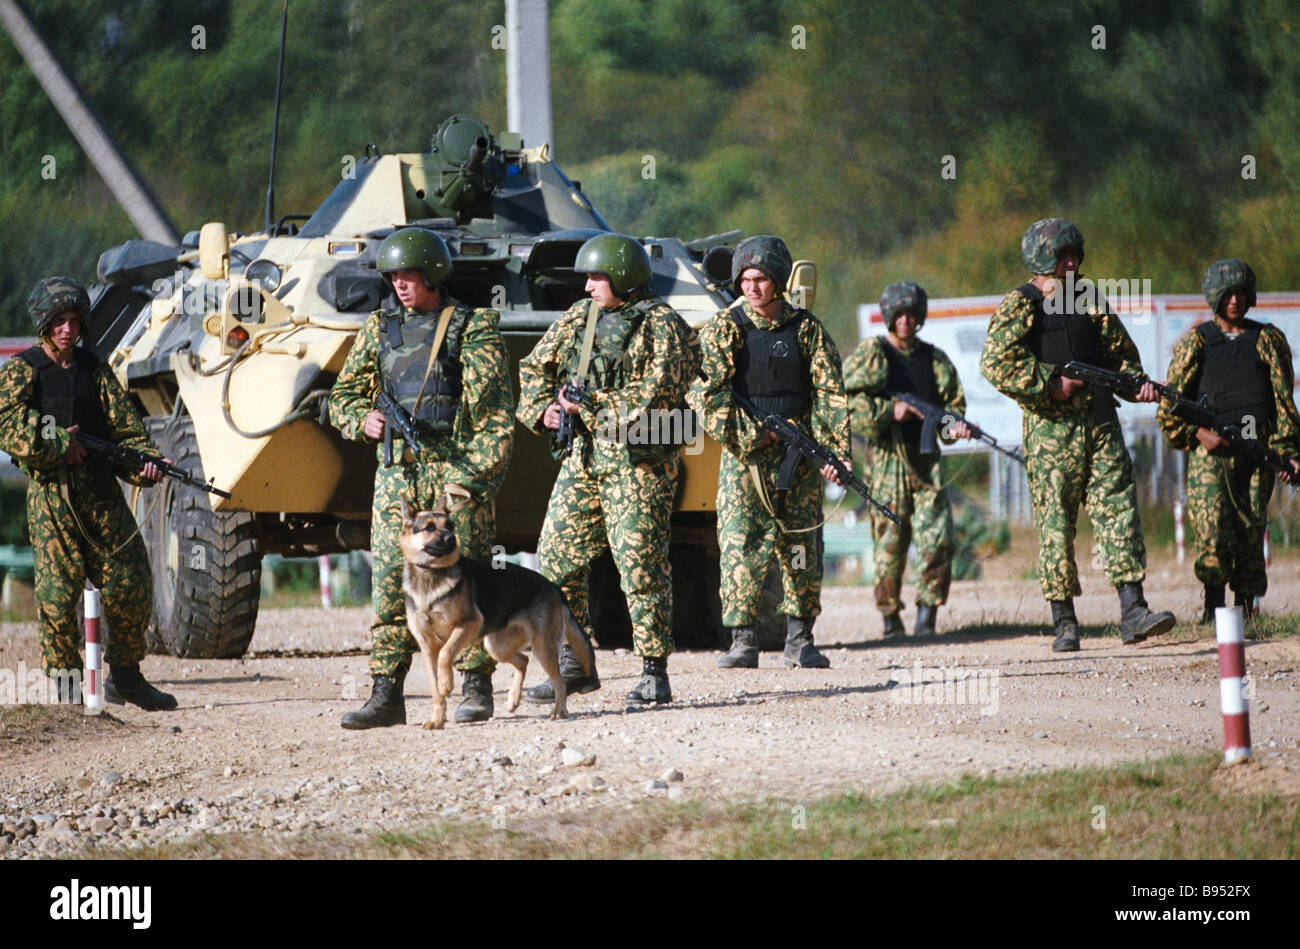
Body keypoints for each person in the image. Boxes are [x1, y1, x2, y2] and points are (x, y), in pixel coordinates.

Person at [329, 227, 513, 728]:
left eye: (409, 274)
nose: (400, 285)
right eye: (393, 276)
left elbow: (495, 419)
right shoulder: (378, 327)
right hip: (397, 481)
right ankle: (386, 693)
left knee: (464, 588)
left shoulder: (471, 327)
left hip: (454, 478)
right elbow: (341, 398)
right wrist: (361, 421)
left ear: (433, 273)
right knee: (391, 586)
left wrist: (469, 483)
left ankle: (476, 688)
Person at [517, 232, 697, 705]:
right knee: (556, 559)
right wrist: (544, 410)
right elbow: (535, 368)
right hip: (585, 458)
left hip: (639, 464)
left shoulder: (664, 327)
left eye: (597, 277)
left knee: (639, 565)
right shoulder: (582, 317)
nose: (588, 287)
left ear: (625, 277)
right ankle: (575, 662)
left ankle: (654, 670)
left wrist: (588, 404)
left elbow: (653, 397)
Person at [979, 218, 1175, 652]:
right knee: (1056, 526)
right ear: (1042, 258)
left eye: (1075, 255)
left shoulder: (1089, 299)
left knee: (1119, 510)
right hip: (1053, 431)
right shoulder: (1021, 304)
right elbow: (995, 363)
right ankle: (1064, 622)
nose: (1071, 263)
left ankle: (1133, 611)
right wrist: (1050, 384)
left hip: (1101, 423)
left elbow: (1121, 356)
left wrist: (1137, 383)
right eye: (1062, 255)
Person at [0, 276, 175, 709]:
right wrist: (60, 444)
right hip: (53, 501)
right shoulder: (22, 372)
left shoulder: (94, 370)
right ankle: (65, 689)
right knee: (58, 598)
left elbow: (126, 432)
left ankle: (127, 677)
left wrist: (146, 465)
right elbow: (9, 427)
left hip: (101, 497)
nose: (67, 329)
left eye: (74, 320)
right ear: (44, 323)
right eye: (58, 320)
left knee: (131, 581)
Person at [688, 235, 850, 669]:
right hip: (746, 463)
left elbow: (830, 394)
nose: (752, 288)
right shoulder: (727, 328)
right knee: (741, 544)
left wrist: (836, 454)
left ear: (778, 282)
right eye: (745, 279)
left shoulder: (807, 329)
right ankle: (743, 641)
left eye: (761, 279)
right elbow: (706, 394)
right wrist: (752, 435)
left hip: (799, 459)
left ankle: (800, 638)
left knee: (801, 546)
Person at [1157, 259, 1300, 622]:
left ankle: (1248, 609)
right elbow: (1170, 403)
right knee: (1213, 529)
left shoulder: (1268, 339)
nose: (1234, 301)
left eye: (1240, 293)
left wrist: (1287, 452)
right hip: (1212, 455)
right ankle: (1214, 609)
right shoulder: (1197, 341)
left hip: (1258, 450)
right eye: (1227, 294)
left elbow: (1284, 402)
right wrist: (1198, 433)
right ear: (1214, 297)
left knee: (1252, 530)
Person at [843, 281, 973, 638]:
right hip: (887, 460)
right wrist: (890, 411)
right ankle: (889, 619)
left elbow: (954, 409)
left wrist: (952, 428)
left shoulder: (934, 359)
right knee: (889, 543)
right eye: (898, 314)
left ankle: (927, 617)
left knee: (937, 539)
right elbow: (846, 403)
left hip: (927, 460)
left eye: (912, 314)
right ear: (887, 316)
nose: (905, 321)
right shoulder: (873, 353)